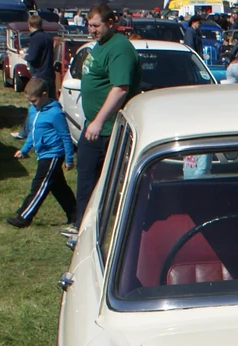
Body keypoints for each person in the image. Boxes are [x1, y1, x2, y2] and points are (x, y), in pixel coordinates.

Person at [70, 3, 141, 237]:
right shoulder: (100, 45)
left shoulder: (119, 48)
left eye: (96, 25)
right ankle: (83, 227)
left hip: (108, 130)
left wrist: (99, 121)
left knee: (103, 183)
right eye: (90, 26)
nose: (92, 30)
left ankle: (97, 231)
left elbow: (120, 88)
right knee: (86, 180)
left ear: (111, 23)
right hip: (94, 127)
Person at [7, 78, 75, 229]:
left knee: (39, 185)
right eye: (29, 101)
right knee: (58, 186)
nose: (32, 104)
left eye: (34, 101)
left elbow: (65, 136)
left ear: (44, 95)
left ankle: (24, 217)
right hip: (42, 153)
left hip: (53, 154)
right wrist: (24, 150)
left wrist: (69, 159)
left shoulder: (55, 113)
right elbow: (32, 132)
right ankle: (75, 213)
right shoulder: (34, 111)